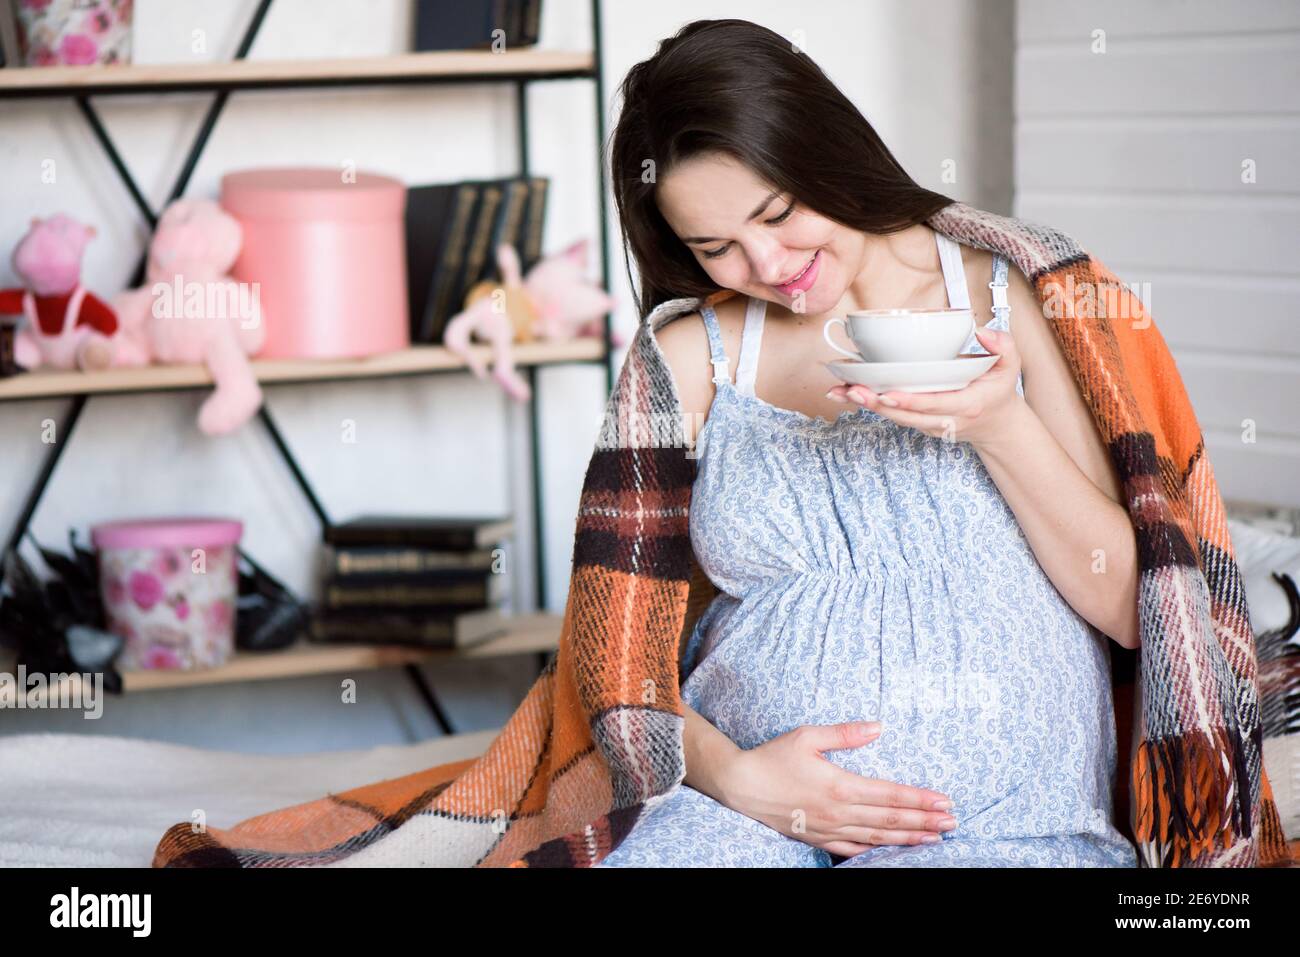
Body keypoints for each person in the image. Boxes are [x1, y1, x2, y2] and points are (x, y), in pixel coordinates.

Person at [594, 18, 1139, 868]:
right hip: (746, 814)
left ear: (827, 151)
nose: (769, 264)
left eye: (777, 213)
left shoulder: (1014, 296)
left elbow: (1134, 606)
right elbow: (614, 656)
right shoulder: (689, 352)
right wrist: (738, 778)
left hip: (1002, 823)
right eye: (716, 248)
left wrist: (999, 426)